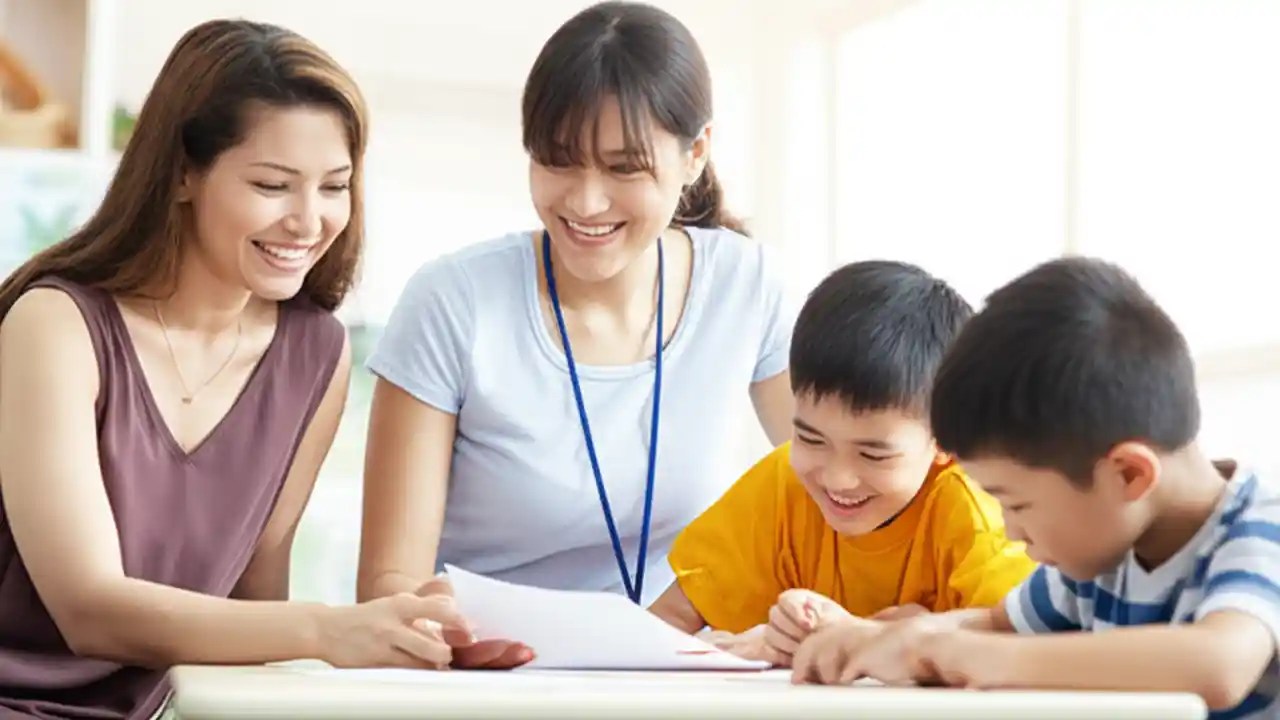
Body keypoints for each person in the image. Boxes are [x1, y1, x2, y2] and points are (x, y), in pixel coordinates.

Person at [0, 20, 516, 720]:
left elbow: (253, 605)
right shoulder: (55, 325)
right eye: (274, 185)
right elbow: (88, 609)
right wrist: (331, 630)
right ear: (182, 171)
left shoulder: (315, 354)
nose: (309, 221)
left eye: (334, 186)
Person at [358, 0, 795, 611]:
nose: (586, 202)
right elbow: (387, 591)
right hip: (480, 674)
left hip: (672, 669)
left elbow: (843, 484)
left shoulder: (748, 286)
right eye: (558, 160)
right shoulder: (452, 302)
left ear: (695, 154)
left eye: (624, 168)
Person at [789, 257, 1280, 718]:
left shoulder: (1260, 529)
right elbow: (993, 624)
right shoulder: (1100, 556)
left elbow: (1219, 663)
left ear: (1129, 474)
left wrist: (964, 654)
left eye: (1018, 504)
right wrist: (876, 637)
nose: (1011, 531)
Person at [648, 260, 1036, 665]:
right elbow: (665, 623)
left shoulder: (977, 512)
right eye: (810, 438)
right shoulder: (782, 485)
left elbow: (1027, 648)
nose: (837, 477)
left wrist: (865, 639)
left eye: (873, 454)